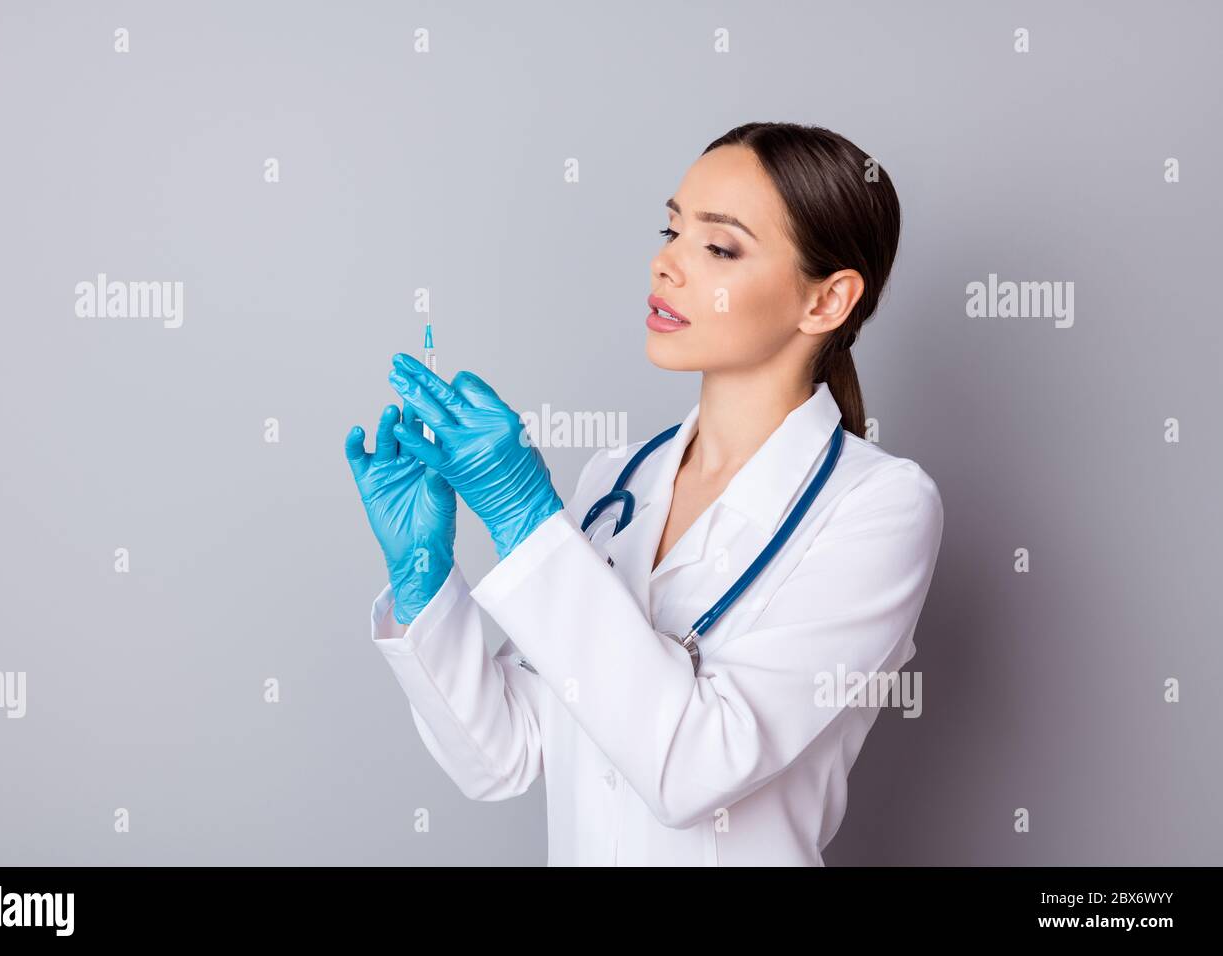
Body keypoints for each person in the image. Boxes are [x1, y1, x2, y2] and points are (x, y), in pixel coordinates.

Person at [345, 122, 944, 866]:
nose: (666, 264)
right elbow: (503, 754)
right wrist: (425, 587)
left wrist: (528, 523)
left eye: (718, 247)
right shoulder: (617, 481)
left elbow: (695, 769)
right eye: (671, 230)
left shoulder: (878, 507)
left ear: (826, 302)